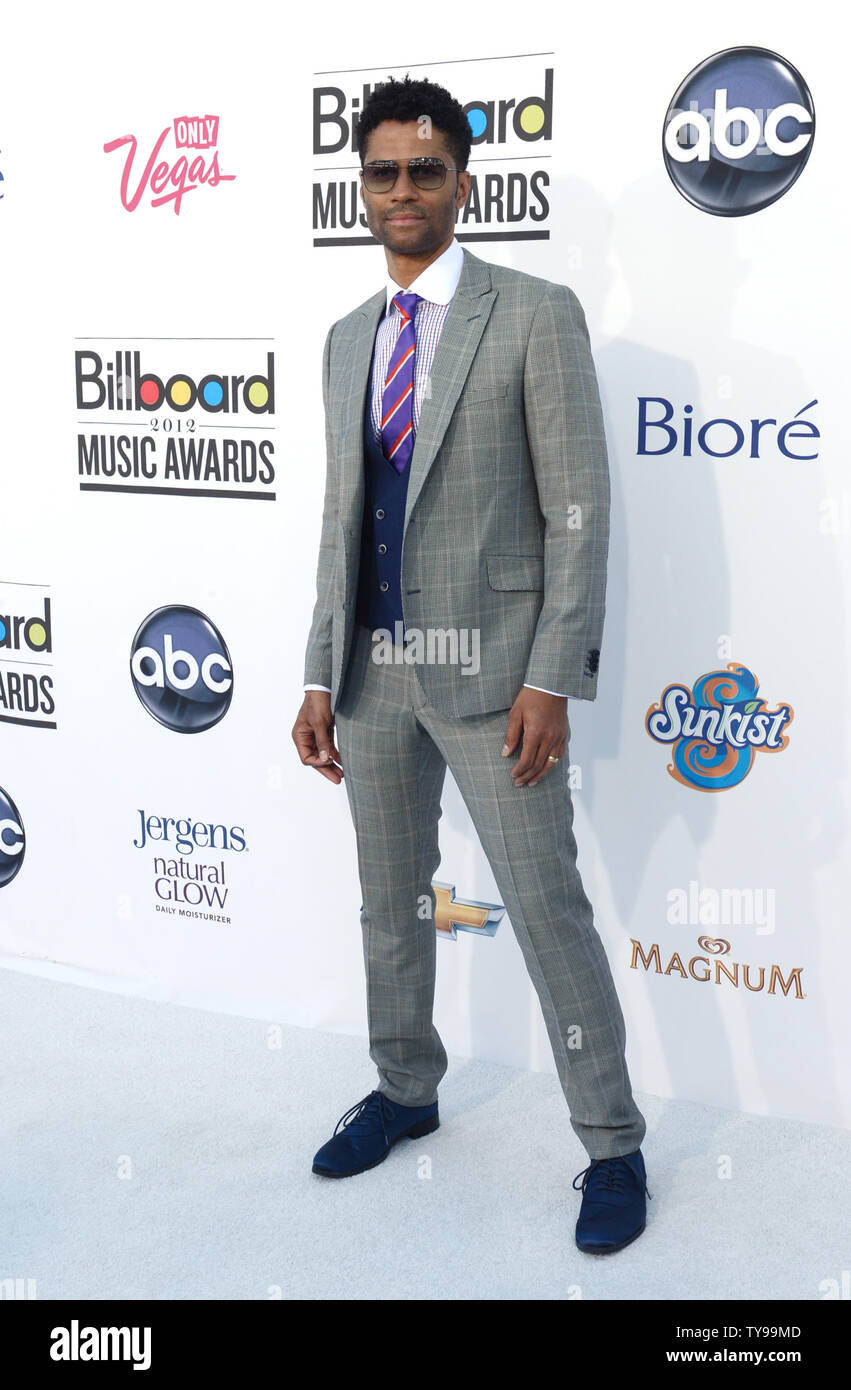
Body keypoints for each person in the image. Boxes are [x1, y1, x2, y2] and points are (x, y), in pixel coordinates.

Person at [292, 74, 650, 1255]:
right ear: (364, 189)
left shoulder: (533, 313)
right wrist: (314, 674)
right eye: (383, 171)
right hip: (375, 676)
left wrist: (553, 675)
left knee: (544, 908)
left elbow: (578, 512)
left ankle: (608, 1141)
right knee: (389, 905)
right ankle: (405, 1088)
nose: (403, 189)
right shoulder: (349, 337)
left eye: (425, 168)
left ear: (462, 182)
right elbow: (342, 519)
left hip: (499, 676)